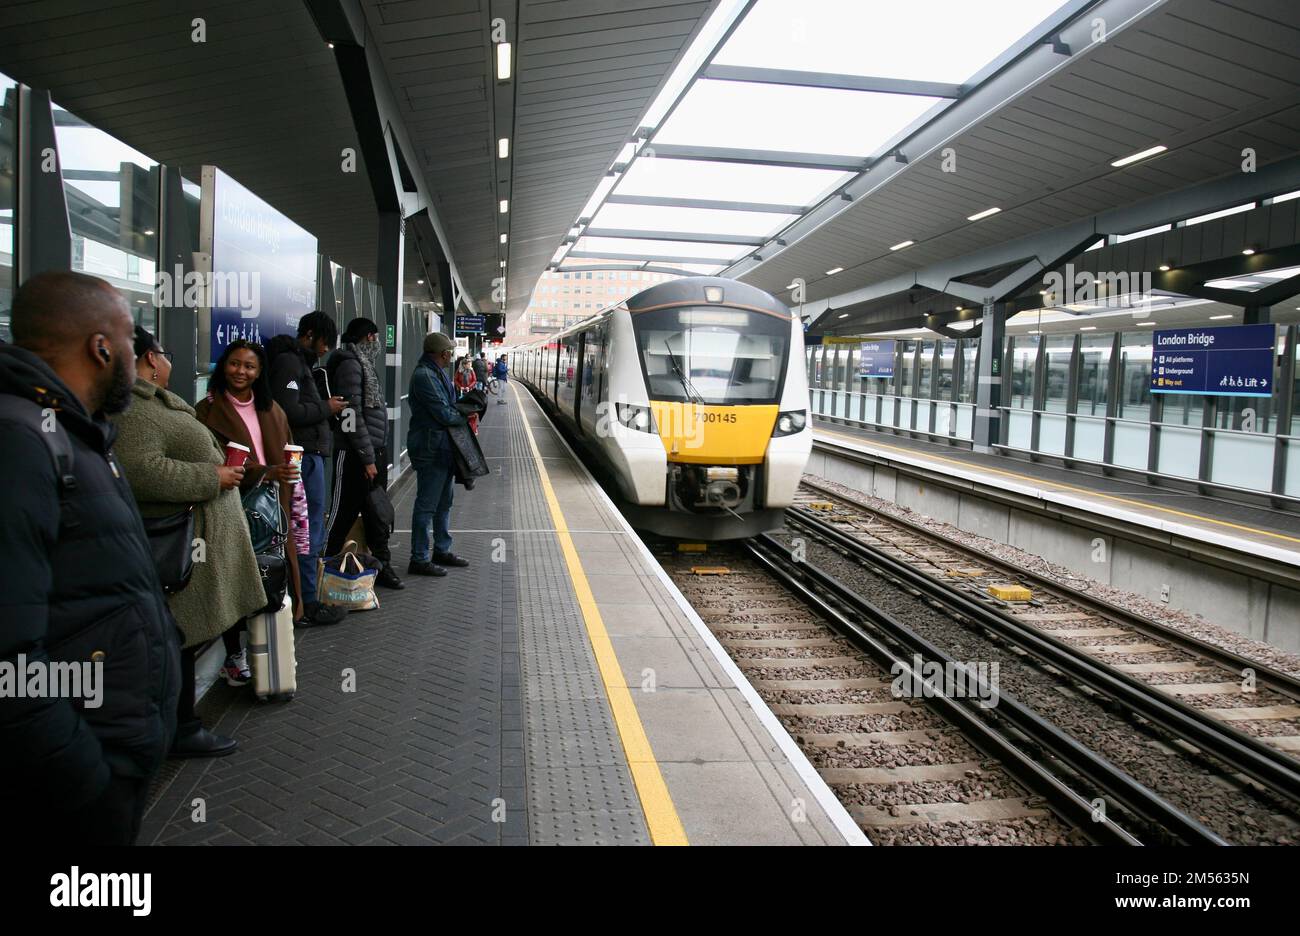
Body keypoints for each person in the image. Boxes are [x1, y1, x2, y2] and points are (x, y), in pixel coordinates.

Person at [0, 271, 180, 845]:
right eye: (131, 342)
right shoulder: (23, 443)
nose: (139, 357)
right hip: (69, 786)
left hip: (102, 753)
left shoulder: (76, 435)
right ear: (102, 348)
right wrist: (87, 780)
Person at [112, 327, 267, 756]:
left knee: (182, 639)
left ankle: (180, 723)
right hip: (176, 550)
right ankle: (179, 728)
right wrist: (211, 476)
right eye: (164, 353)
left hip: (188, 545)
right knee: (177, 638)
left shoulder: (143, 403)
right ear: (149, 358)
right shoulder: (131, 408)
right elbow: (142, 471)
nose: (168, 362)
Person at [196, 341, 305, 674]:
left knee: (271, 575)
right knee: (233, 578)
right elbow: (207, 462)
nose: (240, 371)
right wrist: (265, 472)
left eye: (249, 366)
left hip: (272, 507)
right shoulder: (205, 410)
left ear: (260, 372)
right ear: (223, 366)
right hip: (230, 507)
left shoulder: (272, 409)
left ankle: (268, 652)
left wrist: (285, 479)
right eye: (234, 364)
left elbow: (288, 452)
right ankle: (234, 655)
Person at [267, 313, 347, 626]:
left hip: (309, 455)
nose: (326, 348)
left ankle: (306, 600)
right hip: (303, 457)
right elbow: (287, 410)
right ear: (309, 334)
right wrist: (326, 409)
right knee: (307, 531)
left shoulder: (300, 362)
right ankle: (307, 604)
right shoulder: (289, 363)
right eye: (324, 341)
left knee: (308, 528)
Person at [325, 317, 402, 589]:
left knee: (376, 513)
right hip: (354, 454)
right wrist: (367, 458)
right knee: (342, 513)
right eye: (376, 338)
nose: (378, 343)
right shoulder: (350, 364)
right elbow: (350, 415)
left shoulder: (363, 364)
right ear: (369, 337)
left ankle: (382, 565)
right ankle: (322, 567)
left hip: (373, 451)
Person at [407, 332, 470, 577]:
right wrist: (466, 414)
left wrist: (460, 411)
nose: (450, 357)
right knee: (426, 506)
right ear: (442, 354)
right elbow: (444, 413)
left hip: (442, 449)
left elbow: (449, 408)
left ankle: (442, 549)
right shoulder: (425, 376)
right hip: (430, 449)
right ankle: (419, 558)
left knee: (444, 503)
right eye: (449, 353)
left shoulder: (436, 373)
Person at [454, 355, 479, 434]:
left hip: (470, 391)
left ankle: (473, 427)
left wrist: (469, 387)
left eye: (470, 364)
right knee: (462, 408)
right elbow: (455, 380)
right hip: (461, 391)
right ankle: (463, 424)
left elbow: (474, 380)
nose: (470, 365)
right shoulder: (459, 371)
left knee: (471, 409)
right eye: (468, 364)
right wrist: (460, 387)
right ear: (464, 365)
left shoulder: (471, 370)